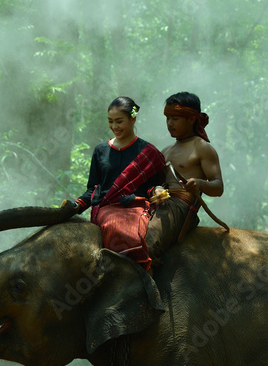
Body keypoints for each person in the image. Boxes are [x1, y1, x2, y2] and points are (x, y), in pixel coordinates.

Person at [78, 91, 225, 263]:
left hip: (179, 206)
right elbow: (151, 184)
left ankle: (145, 288)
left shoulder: (202, 148)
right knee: (126, 231)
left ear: (191, 119)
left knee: (143, 243)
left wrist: (199, 183)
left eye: (175, 119)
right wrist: (154, 191)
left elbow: (218, 187)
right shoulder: (165, 151)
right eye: (167, 118)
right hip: (154, 203)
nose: (169, 123)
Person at [66, 96, 167, 269]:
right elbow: (94, 188)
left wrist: (157, 191)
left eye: (119, 121)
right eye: (110, 121)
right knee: (113, 226)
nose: (114, 127)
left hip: (136, 207)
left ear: (133, 118)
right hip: (107, 208)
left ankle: (142, 278)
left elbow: (154, 186)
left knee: (132, 236)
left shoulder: (147, 152)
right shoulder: (100, 150)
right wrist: (76, 206)